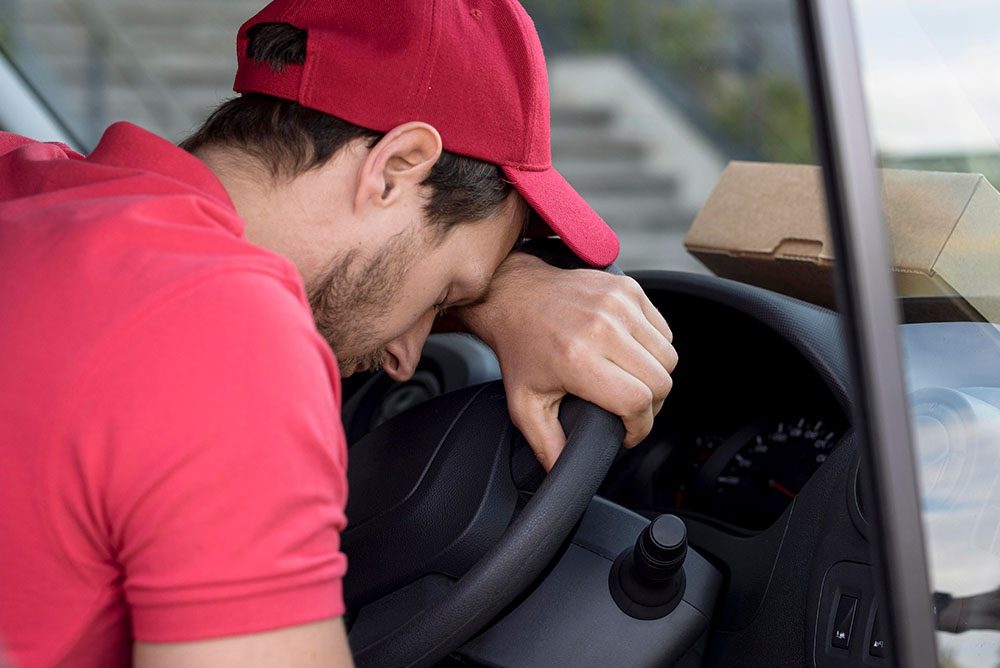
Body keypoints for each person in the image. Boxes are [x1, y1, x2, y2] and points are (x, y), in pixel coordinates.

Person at [0, 1, 677, 666]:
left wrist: (496, 292)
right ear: (396, 165)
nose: (407, 359)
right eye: (446, 294)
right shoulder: (229, 340)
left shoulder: (27, 180)